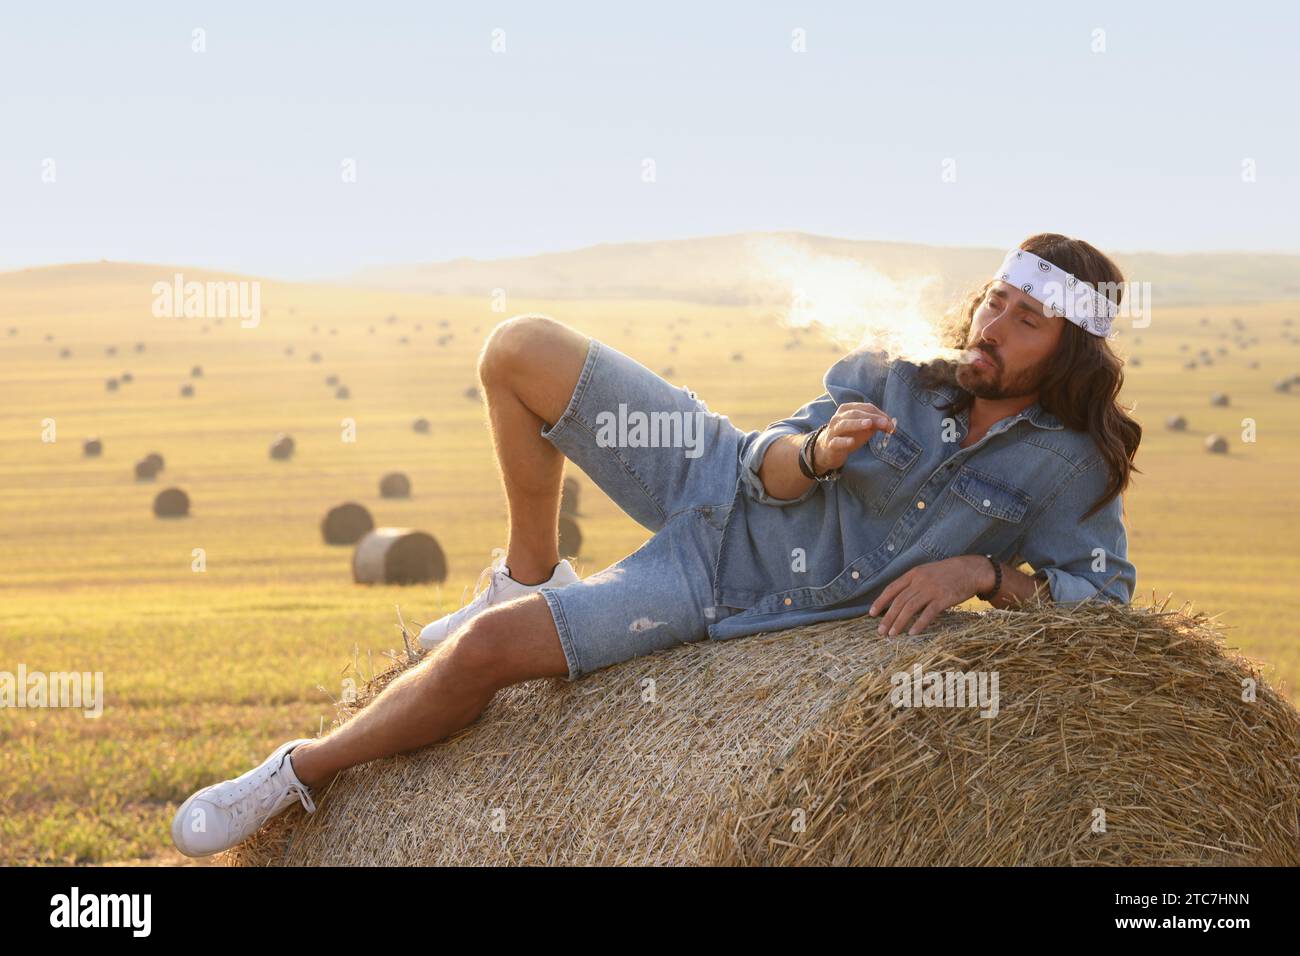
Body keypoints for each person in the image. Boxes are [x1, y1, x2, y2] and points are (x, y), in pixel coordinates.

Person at [172, 232, 1140, 856]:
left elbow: (1102, 598)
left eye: (1028, 319)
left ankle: (299, 770)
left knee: (484, 658)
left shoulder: (1063, 471)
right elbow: (769, 459)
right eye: (995, 303)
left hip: (717, 581)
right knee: (519, 348)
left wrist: (983, 571)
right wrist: (814, 450)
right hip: (711, 473)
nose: (993, 327)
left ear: (1069, 350)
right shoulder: (898, 370)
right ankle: (527, 570)